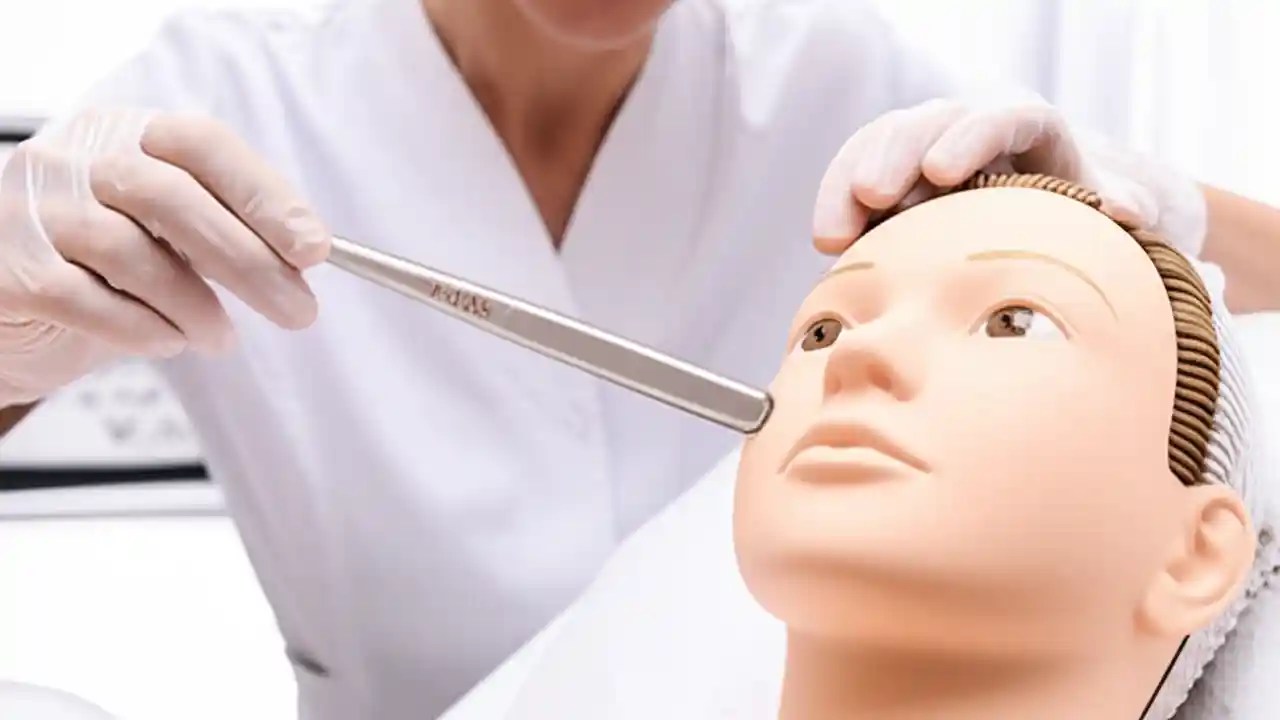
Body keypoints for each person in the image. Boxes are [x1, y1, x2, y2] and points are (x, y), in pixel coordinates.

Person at [0, 0, 1274, 716]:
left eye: (1006, 323)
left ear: (1197, 552)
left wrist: (1158, 204)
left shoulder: (841, 81)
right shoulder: (221, 98)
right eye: (822, 327)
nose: (857, 365)